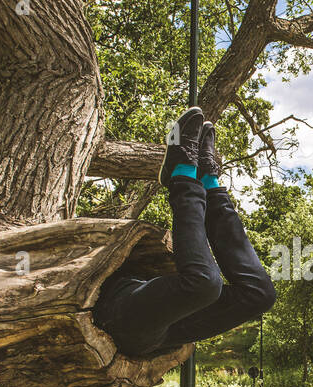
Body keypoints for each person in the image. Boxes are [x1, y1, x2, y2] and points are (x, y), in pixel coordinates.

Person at [92, 106, 275, 357]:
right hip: (120, 315)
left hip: (147, 329)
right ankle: (200, 179)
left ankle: (193, 176)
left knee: (260, 296)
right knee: (205, 284)